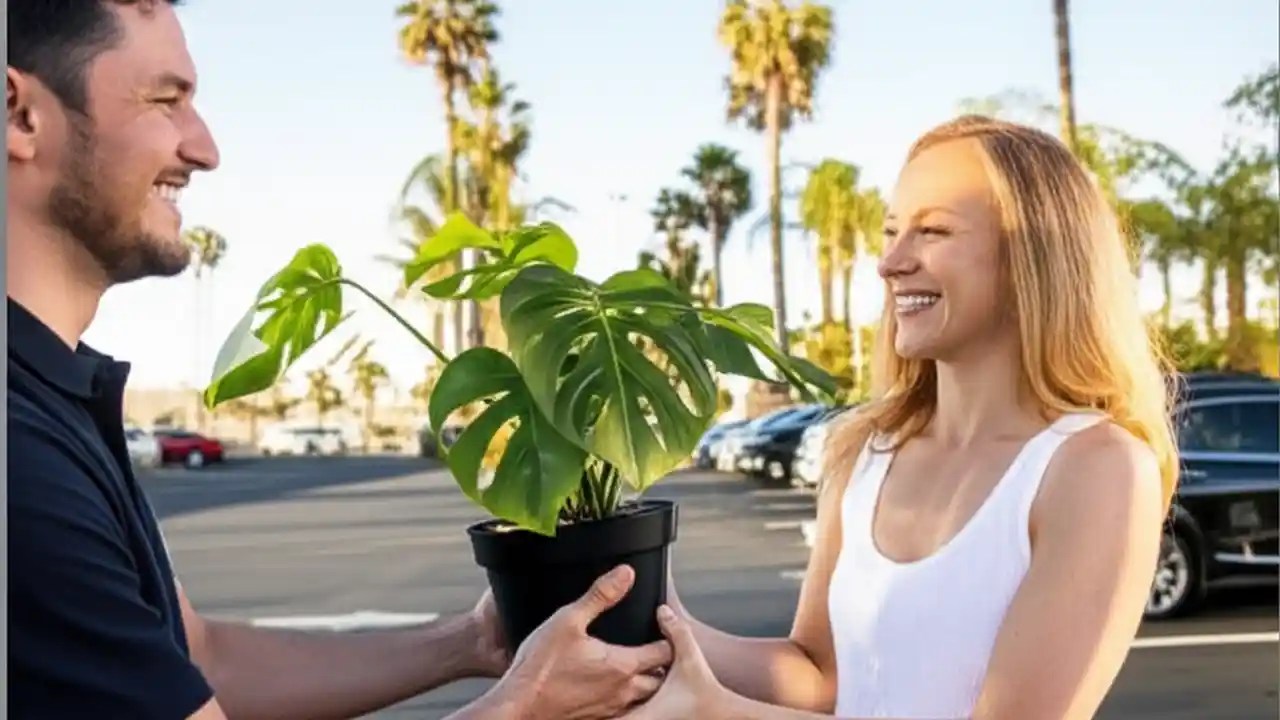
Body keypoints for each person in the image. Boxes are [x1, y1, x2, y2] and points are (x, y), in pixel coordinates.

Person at [7, 2, 670, 718]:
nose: (204, 148)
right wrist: (526, 706)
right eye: (165, 101)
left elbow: (201, 661)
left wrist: (476, 641)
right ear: (21, 115)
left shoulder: (52, 394)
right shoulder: (18, 452)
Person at [638, 115, 1178, 720]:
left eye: (933, 231)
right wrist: (661, 622)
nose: (890, 262)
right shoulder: (862, 450)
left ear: (1034, 257)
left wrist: (713, 712)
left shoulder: (1097, 470)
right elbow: (821, 677)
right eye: (892, 231)